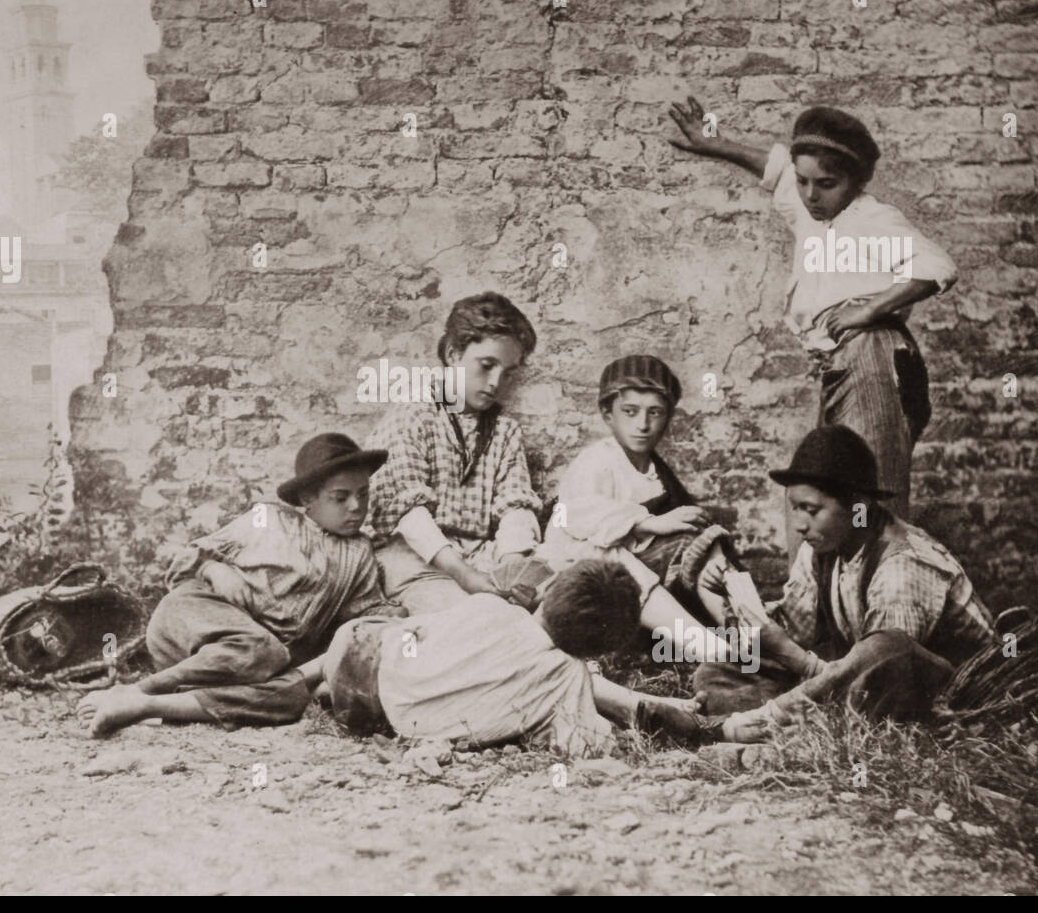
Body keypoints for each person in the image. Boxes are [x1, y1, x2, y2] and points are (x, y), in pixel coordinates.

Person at [669, 100, 958, 516]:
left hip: (873, 356)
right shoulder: (813, 214)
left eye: (826, 183)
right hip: (838, 362)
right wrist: (716, 143)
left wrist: (870, 309)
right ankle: (833, 583)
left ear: (856, 181)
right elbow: (778, 170)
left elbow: (937, 266)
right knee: (832, 498)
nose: (810, 194)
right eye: (804, 182)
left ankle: (887, 580)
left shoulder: (871, 219)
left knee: (871, 497)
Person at [76, 433, 406, 736]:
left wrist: (398, 616)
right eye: (341, 497)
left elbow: (363, 613)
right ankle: (140, 690)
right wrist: (213, 569)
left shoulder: (360, 551)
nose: (356, 507)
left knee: (290, 697)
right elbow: (188, 558)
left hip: (248, 664)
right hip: (197, 615)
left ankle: (147, 706)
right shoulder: (271, 519)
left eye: (363, 494)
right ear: (308, 497)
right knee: (264, 651)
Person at [692, 425, 996, 727]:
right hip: (857, 685)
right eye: (795, 507)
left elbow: (882, 670)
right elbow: (792, 629)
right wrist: (730, 605)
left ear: (858, 508)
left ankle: (769, 720)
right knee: (718, 671)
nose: (799, 524)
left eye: (811, 510)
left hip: (953, 693)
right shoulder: (821, 548)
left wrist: (793, 655)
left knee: (887, 647)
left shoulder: (902, 565)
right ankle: (770, 722)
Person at [304, 559, 765, 756]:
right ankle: (322, 684)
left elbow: (423, 636)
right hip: (376, 717)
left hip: (359, 652)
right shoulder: (566, 681)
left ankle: (313, 674)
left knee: (401, 631)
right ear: (602, 650)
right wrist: (705, 733)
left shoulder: (491, 608)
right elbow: (592, 742)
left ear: (547, 591)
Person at [367, 292, 549, 613]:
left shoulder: (504, 431)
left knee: (532, 603)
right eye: (487, 365)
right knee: (465, 618)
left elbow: (515, 507)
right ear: (453, 354)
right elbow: (408, 514)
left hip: (478, 554)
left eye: (508, 372)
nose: (496, 382)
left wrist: (512, 569)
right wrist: (464, 575)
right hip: (414, 556)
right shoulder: (415, 414)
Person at [542, 354, 739, 626]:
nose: (643, 425)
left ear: (668, 416)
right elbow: (575, 518)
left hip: (644, 571)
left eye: (655, 412)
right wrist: (647, 523)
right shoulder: (597, 461)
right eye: (630, 411)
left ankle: (742, 629)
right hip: (598, 579)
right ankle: (727, 640)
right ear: (608, 414)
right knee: (686, 544)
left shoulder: (657, 472)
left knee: (703, 545)